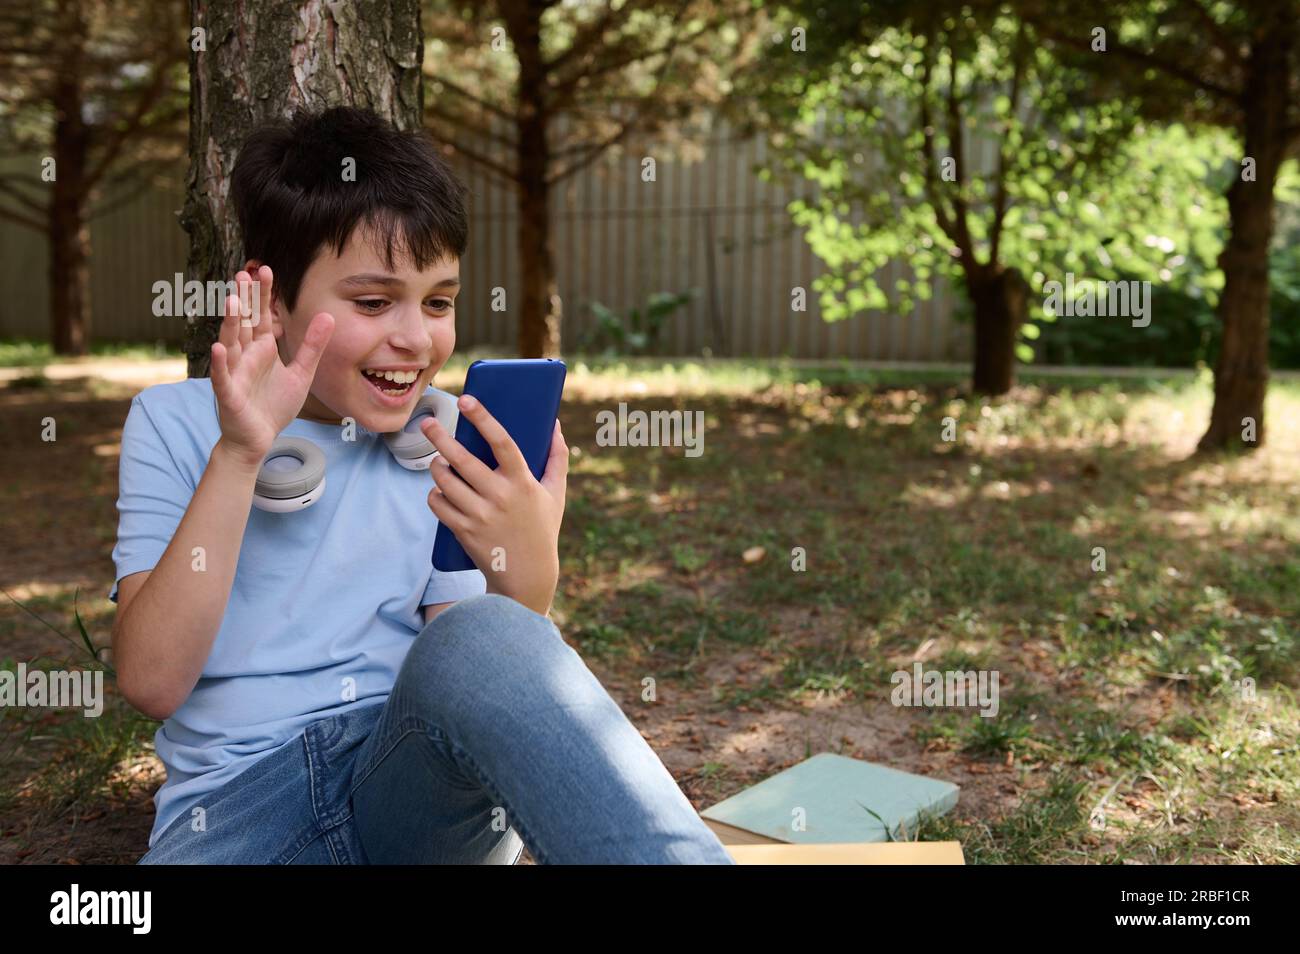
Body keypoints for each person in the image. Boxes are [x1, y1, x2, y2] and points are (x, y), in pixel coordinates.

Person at [109, 105, 735, 865]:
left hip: (409, 790)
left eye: (438, 302)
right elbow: (152, 681)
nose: (415, 338)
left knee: (484, 631)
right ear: (272, 302)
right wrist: (240, 454)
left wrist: (526, 576)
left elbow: (476, 679)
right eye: (374, 302)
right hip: (243, 814)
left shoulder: (446, 441)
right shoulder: (174, 423)